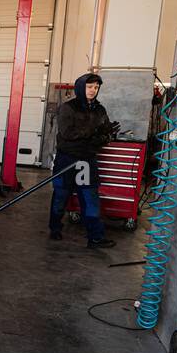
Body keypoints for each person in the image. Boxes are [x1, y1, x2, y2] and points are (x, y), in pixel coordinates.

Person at [49, 72, 117, 249]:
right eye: (89, 86)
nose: (93, 90)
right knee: (61, 197)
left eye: (96, 87)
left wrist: (105, 136)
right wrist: (92, 133)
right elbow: (67, 133)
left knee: (90, 198)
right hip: (67, 160)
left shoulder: (100, 110)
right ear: (80, 87)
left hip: (86, 162)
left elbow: (104, 131)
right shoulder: (68, 108)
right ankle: (55, 227)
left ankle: (95, 237)